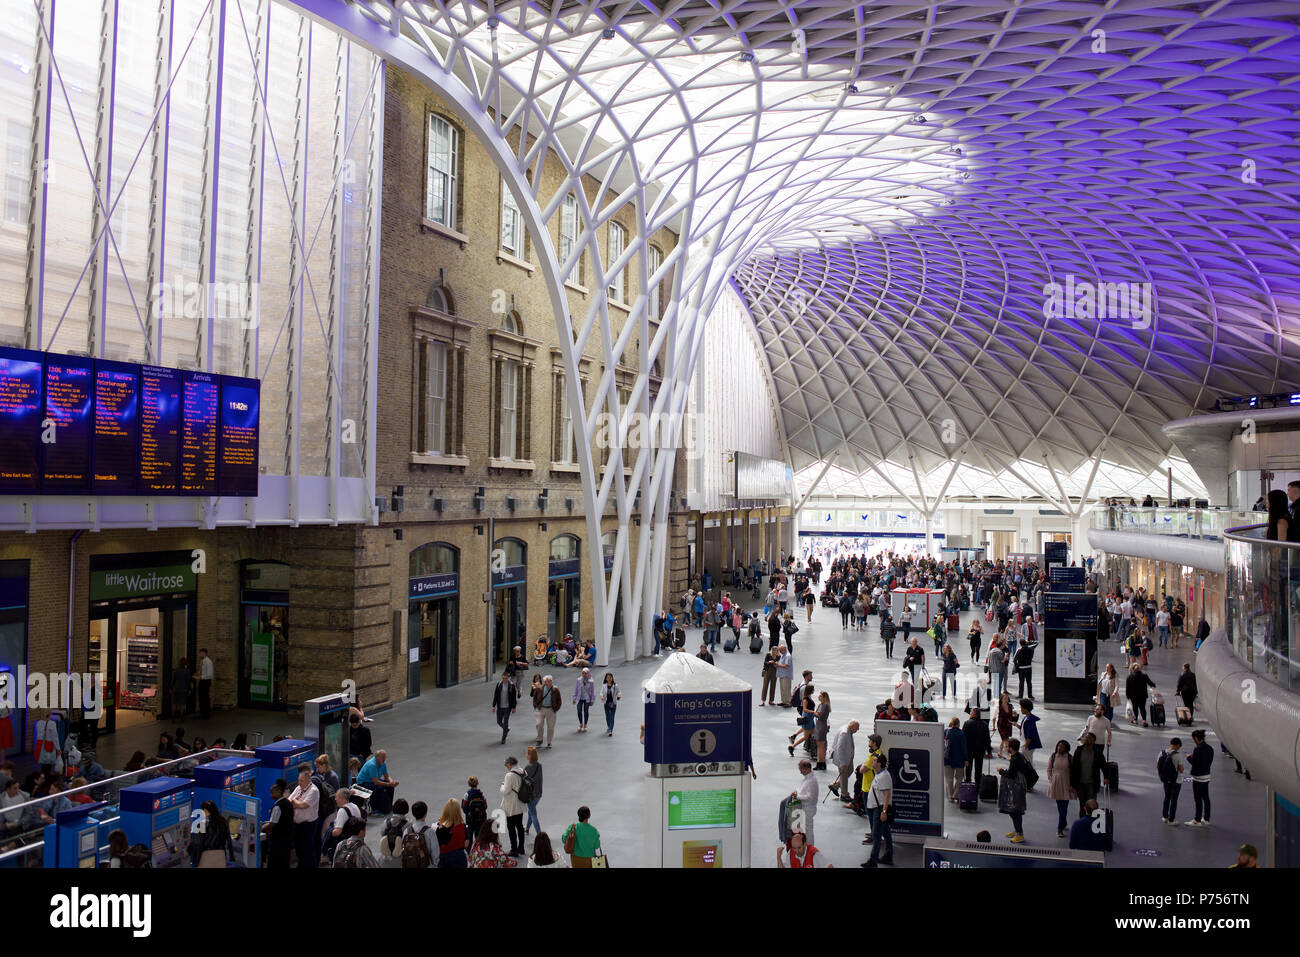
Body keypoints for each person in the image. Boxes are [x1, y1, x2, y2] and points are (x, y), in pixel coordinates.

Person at [997, 737, 1032, 843]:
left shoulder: (1015, 759)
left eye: (1007, 746)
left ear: (1010, 748)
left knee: (1015, 810)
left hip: (1016, 788)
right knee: (1014, 809)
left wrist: (1000, 771)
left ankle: (1020, 833)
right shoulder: (1019, 756)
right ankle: (1017, 829)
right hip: (1020, 786)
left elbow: (1010, 774)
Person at [862, 752, 893, 867]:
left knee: (876, 835)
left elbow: (886, 795)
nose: (872, 762)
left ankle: (873, 860)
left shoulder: (883, 776)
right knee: (886, 832)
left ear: (879, 764)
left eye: (874, 761)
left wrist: (883, 811)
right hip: (876, 808)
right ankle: (888, 856)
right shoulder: (879, 774)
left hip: (879, 809)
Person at [287, 762, 320, 869]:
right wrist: (295, 802)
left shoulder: (313, 791)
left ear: (308, 780)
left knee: (307, 849)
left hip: (308, 825)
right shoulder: (298, 788)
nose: (299, 782)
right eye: (299, 780)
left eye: (301, 781)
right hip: (297, 824)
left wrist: (295, 802)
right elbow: (289, 800)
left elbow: (303, 805)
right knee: (298, 848)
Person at [260, 778, 294, 868]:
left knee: (274, 863)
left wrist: (262, 828)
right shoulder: (288, 803)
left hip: (278, 842)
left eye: (272, 793)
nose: (271, 795)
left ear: (278, 792)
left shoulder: (278, 806)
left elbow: (272, 824)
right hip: (287, 840)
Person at [356, 749, 397, 815]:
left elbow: (387, 776)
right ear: (377, 757)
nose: (384, 759)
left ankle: (389, 806)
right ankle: (375, 809)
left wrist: (391, 782)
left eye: (385, 757)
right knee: (378, 788)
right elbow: (376, 782)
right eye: (382, 758)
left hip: (372, 781)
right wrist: (388, 784)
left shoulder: (383, 764)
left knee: (390, 788)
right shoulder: (372, 765)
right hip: (363, 783)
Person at [1071, 732, 1103, 816]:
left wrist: (1106, 777)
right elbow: (1073, 768)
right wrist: (1072, 785)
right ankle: (1082, 821)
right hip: (1080, 782)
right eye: (1086, 738)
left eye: (1089, 738)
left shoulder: (1097, 752)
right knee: (1082, 804)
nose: (1086, 739)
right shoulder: (1079, 750)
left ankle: (1092, 822)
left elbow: (1104, 766)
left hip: (1092, 783)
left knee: (1092, 804)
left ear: (1093, 741)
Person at [500, 756, 527, 856]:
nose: (506, 767)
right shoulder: (523, 772)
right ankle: (521, 848)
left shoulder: (509, 775)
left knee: (511, 827)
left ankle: (514, 849)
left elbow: (506, 791)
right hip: (521, 803)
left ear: (509, 764)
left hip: (511, 805)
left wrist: (502, 786)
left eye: (506, 765)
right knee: (519, 826)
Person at [1186, 728, 1213, 827]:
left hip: (1198, 777)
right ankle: (1206, 818)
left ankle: (1197, 819)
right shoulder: (1210, 748)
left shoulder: (1197, 749)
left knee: (1198, 799)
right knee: (1206, 797)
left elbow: (1195, 763)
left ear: (1197, 738)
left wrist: (1189, 757)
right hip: (1207, 775)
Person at [1047, 740, 1073, 837]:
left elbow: (1073, 771)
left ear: (1066, 748)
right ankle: (1064, 822)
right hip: (1056, 783)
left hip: (1066, 783)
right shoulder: (1053, 756)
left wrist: (1072, 785)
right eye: (1058, 746)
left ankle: (1060, 827)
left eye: (1062, 746)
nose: (1059, 748)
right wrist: (1051, 779)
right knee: (1060, 805)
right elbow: (1049, 769)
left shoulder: (1070, 758)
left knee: (1064, 806)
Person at [1158, 736, 1186, 826]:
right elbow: (1181, 770)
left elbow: (1157, 766)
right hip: (1176, 781)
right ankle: (1171, 820)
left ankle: (1164, 817)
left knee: (1167, 797)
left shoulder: (1162, 753)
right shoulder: (1178, 755)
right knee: (1174, 800)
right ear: (1177, 745)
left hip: (1166, 780)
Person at [828, 720, 859, 801]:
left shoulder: (848, 730)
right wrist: (843, 763)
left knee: (850, 771)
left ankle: (836, 785)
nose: (857, 730)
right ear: (852, 727)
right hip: (843, 759)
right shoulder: (844, 733)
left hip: (847, 757)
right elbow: (840, 748)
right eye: (857, 728)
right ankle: (844, 794)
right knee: (844, 776)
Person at [435, 799, 469, 868]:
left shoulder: (440, 827)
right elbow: (466, 844)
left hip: (443, 858)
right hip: (459, 858)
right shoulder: (463, 826)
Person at [962, 708, 992, 786]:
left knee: (968, 768)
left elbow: (963, 738)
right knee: (978, 769)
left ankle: (968, 784)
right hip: (980, 750)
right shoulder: (984, 724)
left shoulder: (967, 723)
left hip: (969, 750)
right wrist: (989, 751)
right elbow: (987, 739)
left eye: (971, 712)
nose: (970, 713)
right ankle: (977, 785)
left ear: (974, 714)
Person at [531, 674, 562, 748]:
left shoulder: (555, 689)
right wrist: (536, 706)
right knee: (539, 725)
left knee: (550, 727)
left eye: (550, 681)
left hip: (551, 709)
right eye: (548, 681)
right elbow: (534, 698)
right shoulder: (539, 689)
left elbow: (559, 700)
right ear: (544, 682)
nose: (550, 682)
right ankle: (539, 740)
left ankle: (549, 742)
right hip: (541, 708)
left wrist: (556, 708)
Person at [943, 717, 968, 803]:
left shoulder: (946, 732)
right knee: (959, 778)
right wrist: (966, 759)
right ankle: (956, 795)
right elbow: (964, 748)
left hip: (947, 758)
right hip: (959, 759)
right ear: (958, 724)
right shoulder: (961, 733)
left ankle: (950, 796)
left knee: (949, 778)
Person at [1126, 662, 1157, 727]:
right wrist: (1154, 685)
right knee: (1142, 708)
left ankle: (1135, 720)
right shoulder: (1144, 675)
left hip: (1133, 695)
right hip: (1142, 695)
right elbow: (1150, 683)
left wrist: (1127, 695)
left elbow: (1127, 687)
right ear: (1139, 668)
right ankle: (1144, 721)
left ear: (1133, 669)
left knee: (1135, 707)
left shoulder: (1129, 677)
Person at [523, 745, 544, 837]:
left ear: (529, 755)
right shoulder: (539, 766)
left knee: (533, 814)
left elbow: (523, 780)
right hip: (539, 793)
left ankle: (539, 834)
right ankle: (527, 828)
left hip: (531, 795)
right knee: (531, 811)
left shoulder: (528, 767)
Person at [491, 672, 518, 744]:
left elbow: (513, 698)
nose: (504, 680)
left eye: (505, 678)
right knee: (499, 721)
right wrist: (493, 706)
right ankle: (506, 729)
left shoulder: (511, 686)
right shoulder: (499, 684)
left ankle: (503, 738)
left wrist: (514, 707)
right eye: (503, 678)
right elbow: (496, 696)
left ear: (508, 678)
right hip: (500, 706)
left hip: (507, 707)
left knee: (506, 722)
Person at [1019, 698, 1042, 771]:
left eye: (1021, 707)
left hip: (1027, 745)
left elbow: (1030, 735)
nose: (1021, 709)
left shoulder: (1030, 720)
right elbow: (1024, 729)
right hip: (1025, 743)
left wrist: (1025, 746)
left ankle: (1029, 776)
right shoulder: (1027, 718)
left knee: (1027, 761)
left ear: (1025, 709)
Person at [572, 668, 596, 733]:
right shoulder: (578, 680)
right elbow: (576, 689)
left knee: (586, 711)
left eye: (585, 673)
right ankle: (580, 723)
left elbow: (592, 691)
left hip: (587, 698)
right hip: (579, 698)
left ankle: (585, 724)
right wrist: (574, 698)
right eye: (582, 673)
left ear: (588, 673)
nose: (584, 674)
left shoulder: (591, 682)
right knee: (579, 710)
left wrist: (592, 700)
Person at [995, 691, 1014, 758]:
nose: (1006, 699)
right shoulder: (999, 707)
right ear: (1001, 699)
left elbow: (1012, 715)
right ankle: (1008, 755)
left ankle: (1000, 752)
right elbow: (994, 716)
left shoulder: (1010, 706)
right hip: (1001, 725)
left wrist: (1014, 717)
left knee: (1004, 739)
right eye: (1004, 698)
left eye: (1007, 698)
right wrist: (993, 726)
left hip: (1008, 724)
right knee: (1006, 740)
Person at [196, 648, 213, 719]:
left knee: (205, 698)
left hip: (206, 681)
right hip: (203, 680)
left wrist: (200, 677)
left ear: (204, 653)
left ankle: (206, 714)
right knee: (201, 697)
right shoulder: (202, 661)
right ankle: (203, 713)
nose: (199, 655)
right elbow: (203, 671)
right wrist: (198, 673)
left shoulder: (208, 662)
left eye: (201, 653)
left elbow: (209, 674)